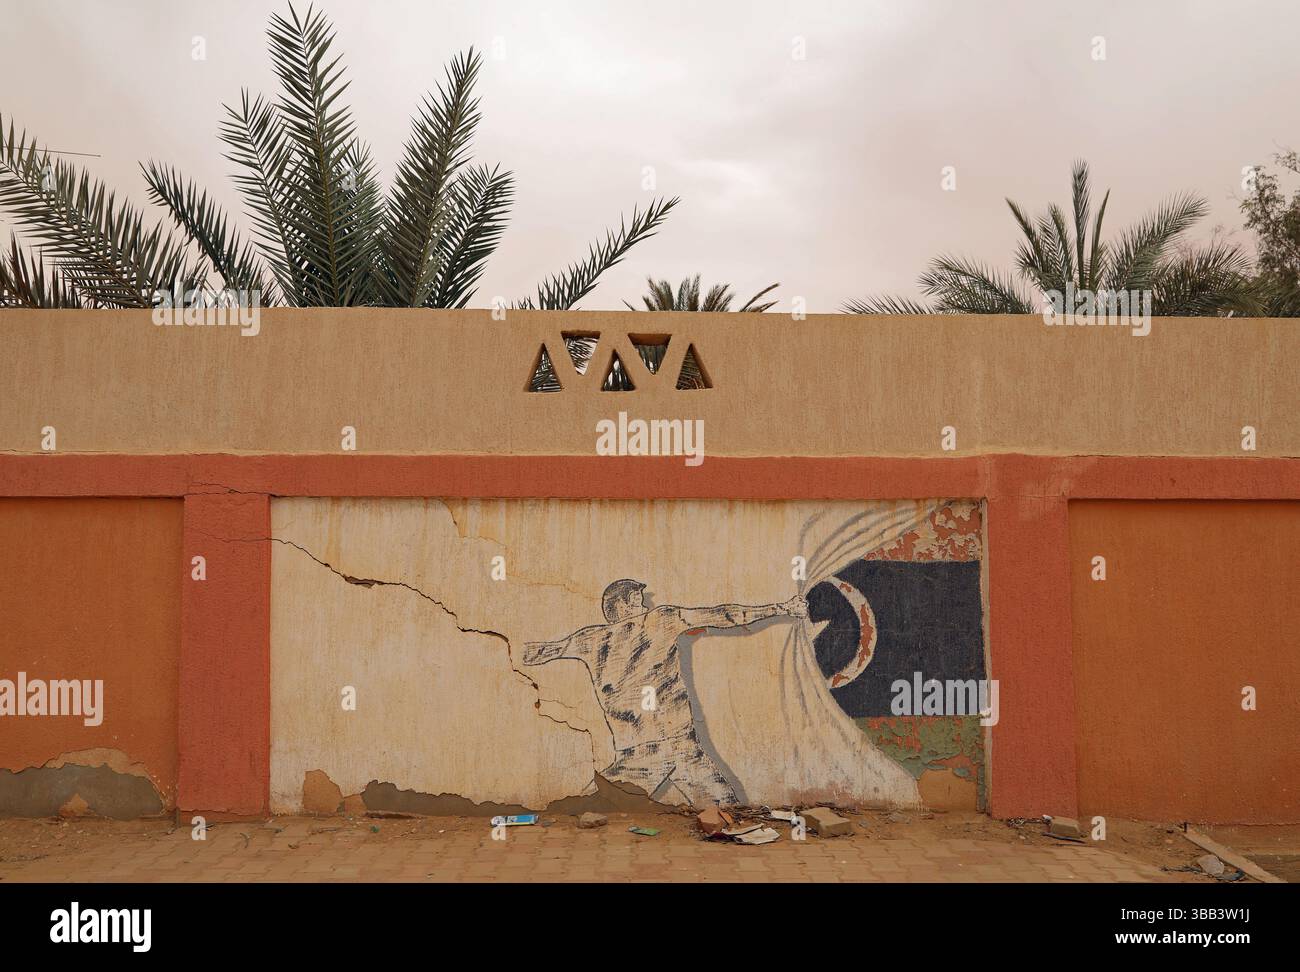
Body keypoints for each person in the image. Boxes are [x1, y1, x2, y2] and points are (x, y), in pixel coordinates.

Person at [522, 579, 807, 806]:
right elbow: (726, 615)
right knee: (726, 815)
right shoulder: (660, 620)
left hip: (663, 750)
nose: (643, 601)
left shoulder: (589, 640)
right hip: (656, 751)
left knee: (727, 813)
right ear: (624, 603)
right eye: (637, 597)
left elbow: (537, 652)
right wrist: (782, 608)